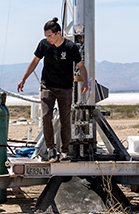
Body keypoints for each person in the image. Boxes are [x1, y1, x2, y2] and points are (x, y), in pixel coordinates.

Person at [17, 17, 88, 161]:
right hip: (47, 86)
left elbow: (81, 66)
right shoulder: (44, 45)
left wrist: (85, 82)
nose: (48, 39)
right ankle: (51, 149)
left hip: (65, 88)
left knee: (65, 120)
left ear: (58, 33)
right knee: (46, 116)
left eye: (50, 36)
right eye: (46, 36)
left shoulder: (70, 47)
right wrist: (24, 78)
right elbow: (35, 61)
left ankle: (64, 151)